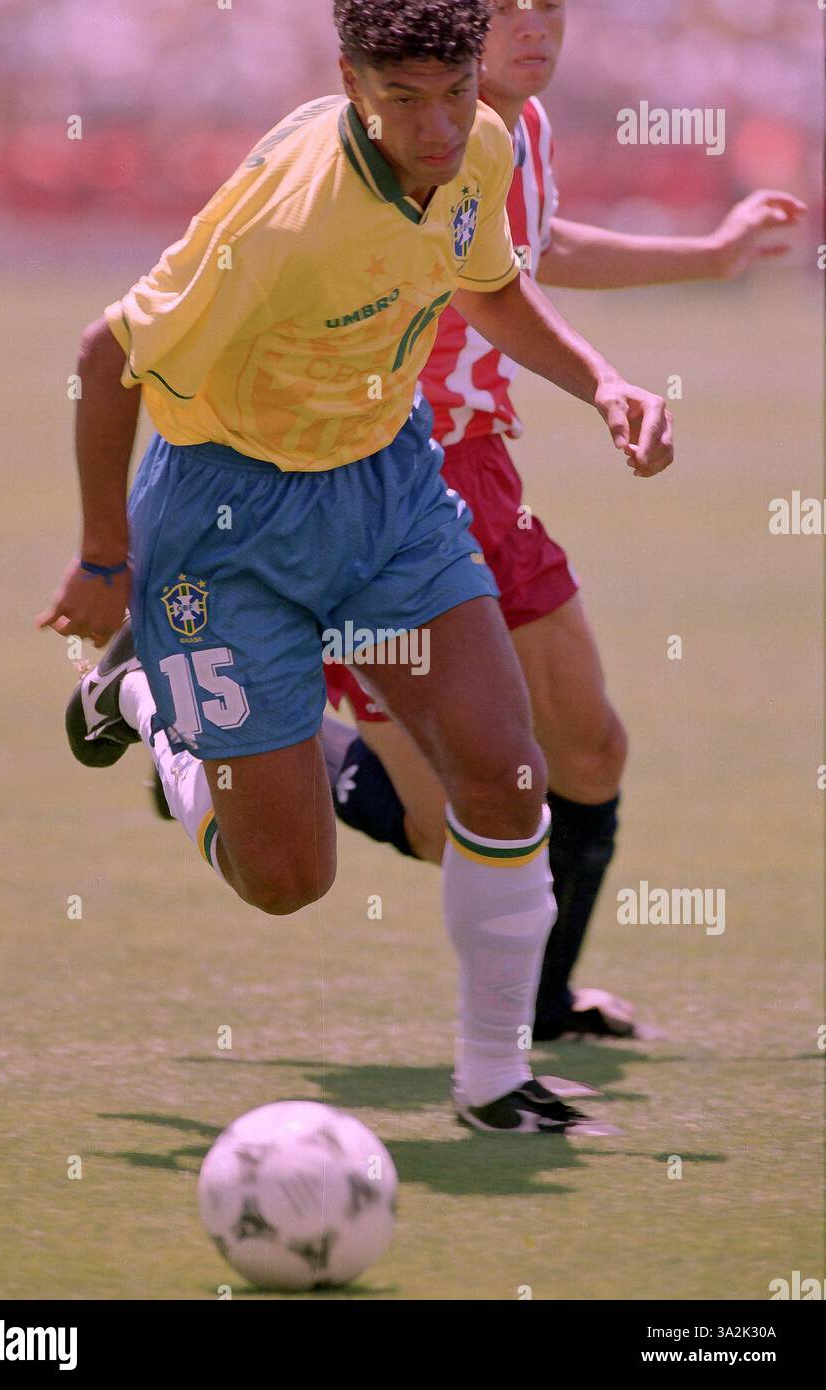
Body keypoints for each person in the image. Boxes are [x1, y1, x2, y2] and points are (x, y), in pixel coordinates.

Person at [39, 0, 673, 1137]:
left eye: (451, 91)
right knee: (286, 877)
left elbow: (485, 283)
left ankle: (493, 1083)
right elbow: (105, 357)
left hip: (386, 487)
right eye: (403, 102)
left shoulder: (483, 139)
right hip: (228, 519)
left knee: (506, 767)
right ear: (350, 82)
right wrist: (102, 559)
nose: (437, 128)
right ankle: (141, 694)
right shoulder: (289, 225)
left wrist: (604, 383)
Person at [318, 0, 806, 1042]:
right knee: (458, 826)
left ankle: (544, 1011)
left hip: (483, 471)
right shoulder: (407, 146)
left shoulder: (515, 133)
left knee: (587, 750)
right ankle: (244, 742)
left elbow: (531, 247)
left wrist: (708, 255)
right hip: (378, 488)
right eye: (507, 10)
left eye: (551, 7)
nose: (536, 28)